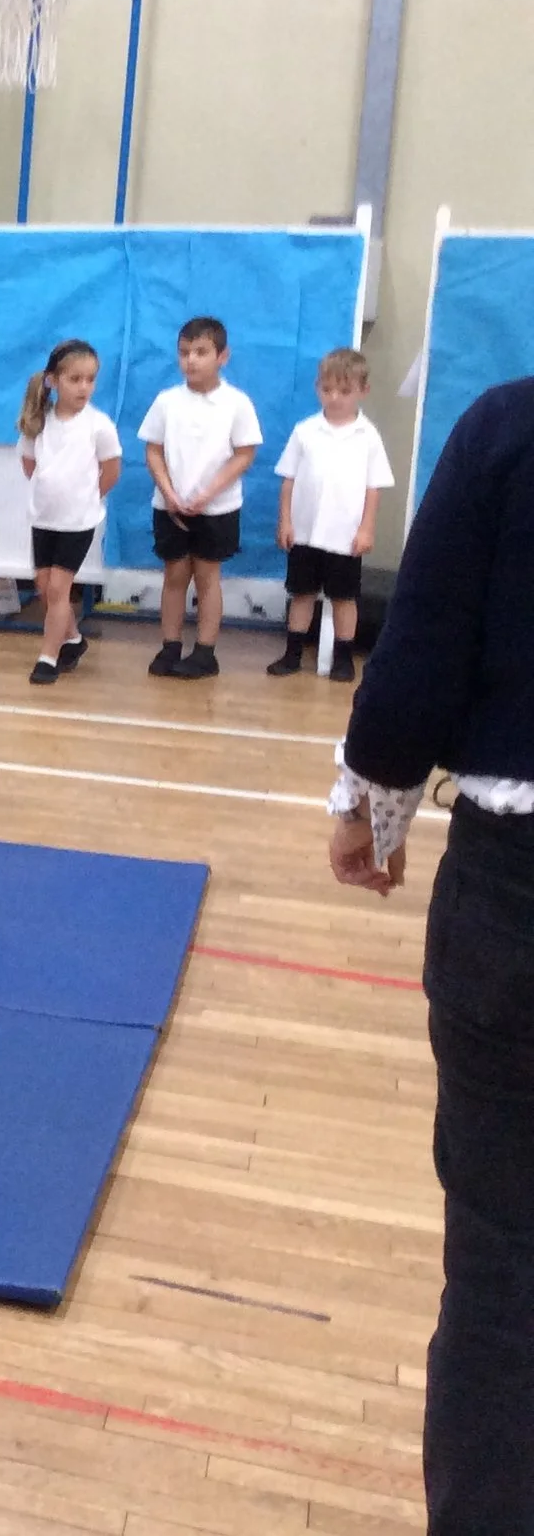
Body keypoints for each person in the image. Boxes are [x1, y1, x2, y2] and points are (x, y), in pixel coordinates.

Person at [327, 377, 534, 1533]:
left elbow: (425, 646)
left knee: (504, 1268)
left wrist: (370, 807)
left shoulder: (511, 427)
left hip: (516, 899)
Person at [139, 315, 262, 679]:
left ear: (222, 356)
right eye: (184, 352)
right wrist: (169, 493)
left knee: (208, 576)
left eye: (201, 352)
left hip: (217, 508)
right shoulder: (167, 401)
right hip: (171, 506)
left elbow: (244, 454)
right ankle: (170, 645)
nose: (191, 360)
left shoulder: (236, 403)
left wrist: (208, 494)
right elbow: (153, 450)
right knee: (175, 574)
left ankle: (205, 652)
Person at [269, 346, 395, 682]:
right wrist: (286, 520)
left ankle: (343, 658)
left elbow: (374, 487)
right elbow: (288, 479)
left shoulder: (368, 437)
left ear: (363, 391)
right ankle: (293, 654)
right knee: (302, 594)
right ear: (317, 388)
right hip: (305, 532)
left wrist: (366, 528)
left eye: (344, 390)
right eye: (327, 389)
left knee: (344, 598)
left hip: (344, 535)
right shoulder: (305, 431)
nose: (335, 397)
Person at [16, 339, 122, 687]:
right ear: (53, 380)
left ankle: (48, 657)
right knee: (44, 587)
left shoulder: (99, 425)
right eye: (75, 379)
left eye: (90, 379)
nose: (84, 387)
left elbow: (111, 471)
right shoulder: (39, 422)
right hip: (44, 518)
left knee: (59, 589)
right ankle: (73, 640)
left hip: (78, 522)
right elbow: (29, 463)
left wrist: (85, 498)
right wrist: (51, 492)